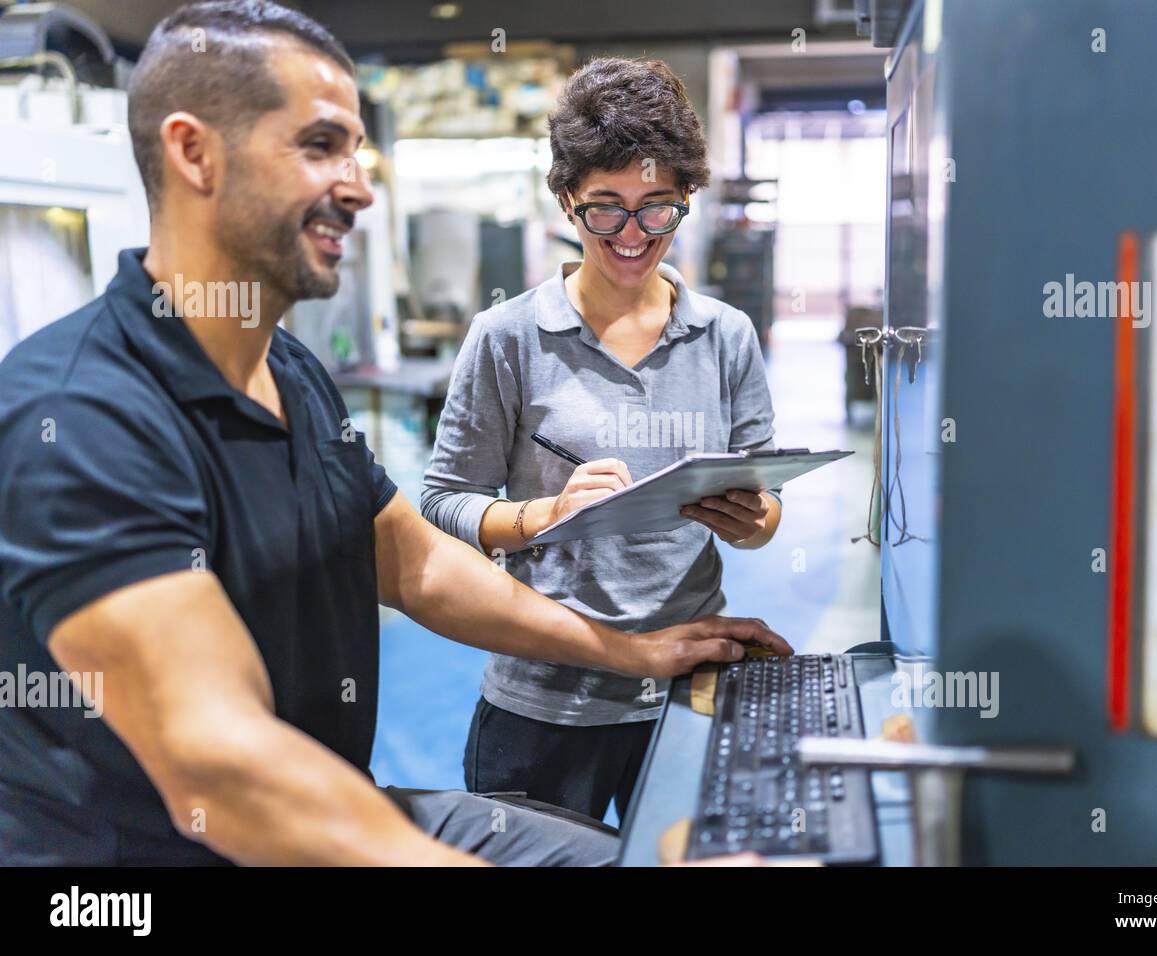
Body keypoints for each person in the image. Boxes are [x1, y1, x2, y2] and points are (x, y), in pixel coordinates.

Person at [0, 0, 789, 866]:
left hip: (335, 792)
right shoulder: (85, 416)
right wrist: (537, 522)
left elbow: (415, 564)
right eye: (319, 146)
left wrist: (636, 651)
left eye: (356, 150)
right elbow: (222, 773)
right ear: (194, 153)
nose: (361, 187)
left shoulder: (291, 377)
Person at [422, 57, 783, 822]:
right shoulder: (508, 337)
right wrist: (539, 516)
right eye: (605, 209)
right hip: (544, 705)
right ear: (565, 200)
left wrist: (758, 518)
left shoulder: (726, 336)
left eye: (657, 208)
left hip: (686, 690)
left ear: (686, 196)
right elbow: (441, 501)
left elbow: (766, 499)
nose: (632, 234)